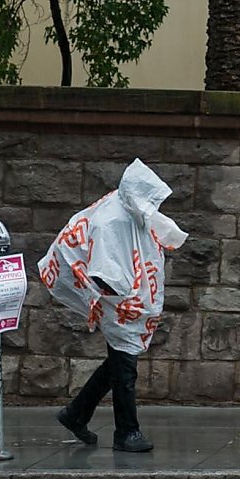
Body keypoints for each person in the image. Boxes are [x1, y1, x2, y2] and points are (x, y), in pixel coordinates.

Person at [39, 159, 188, 453]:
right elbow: (103, 268)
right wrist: (123, 302)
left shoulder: (128, 210)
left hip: (120, 299)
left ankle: (76, 413)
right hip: (115, 301)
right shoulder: (111, 220)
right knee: (125, 366)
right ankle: (126, 432)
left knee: (119, 363)